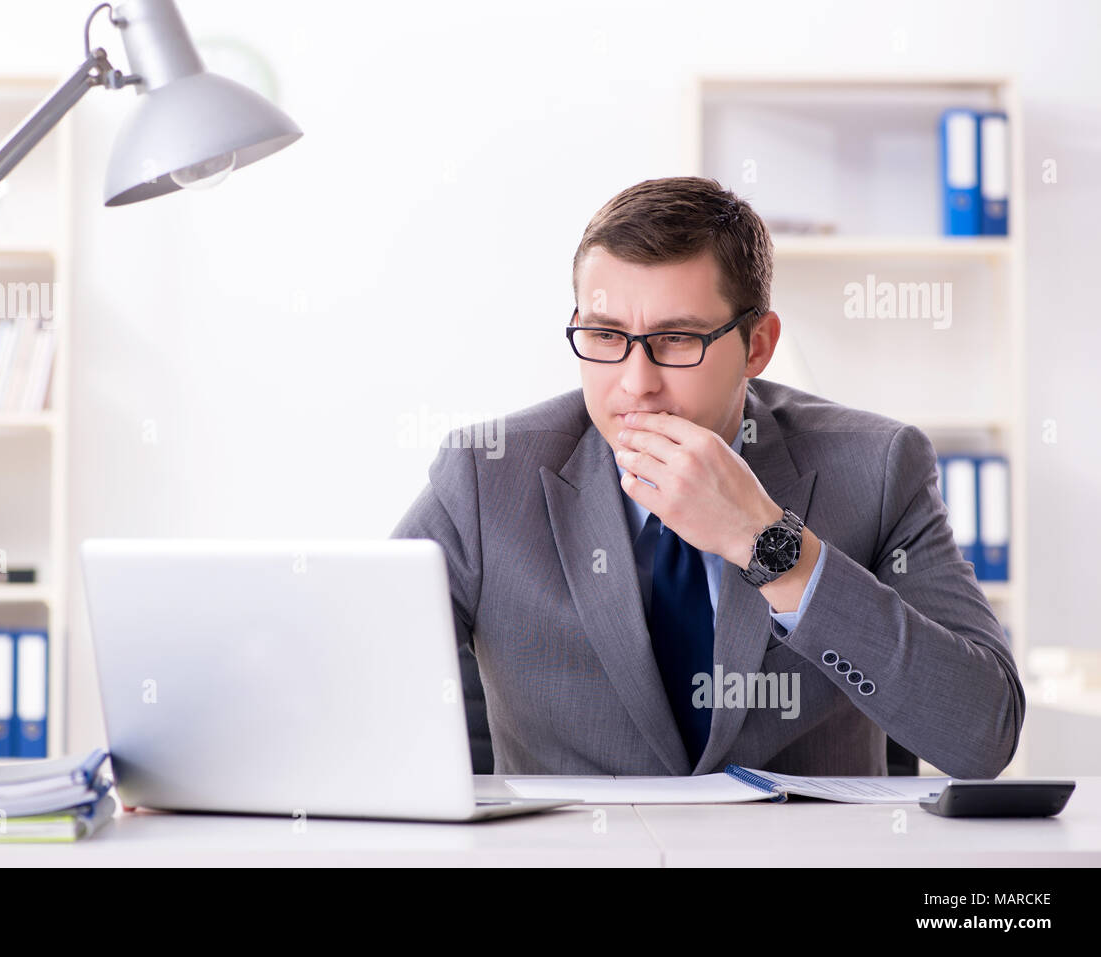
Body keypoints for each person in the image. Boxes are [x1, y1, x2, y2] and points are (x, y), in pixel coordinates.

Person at [390, 176, 1024, 778]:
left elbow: (982, 736)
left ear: (757, 345)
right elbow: (357, 672)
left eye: (676, 340)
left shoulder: (878, 467)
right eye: (607, 335)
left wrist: (770, 545)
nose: (636, 383)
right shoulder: (486, 476)